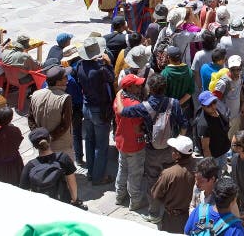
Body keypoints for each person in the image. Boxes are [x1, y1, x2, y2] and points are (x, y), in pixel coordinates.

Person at [117, 74, 188, 224]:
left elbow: (122, 111)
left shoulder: (144, 106)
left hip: (152, 151)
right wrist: (178, 145)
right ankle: (171, 208)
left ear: (150, 88)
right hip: (171, 149)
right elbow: (184, 125)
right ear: (165, 88)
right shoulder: (174, 103)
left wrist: (118, 94)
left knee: (152, 181)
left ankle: (154, 213)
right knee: (171, 178)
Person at [75, 36, 115, 185]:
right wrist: (108, 63)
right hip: (99, 109)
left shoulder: (79, 65)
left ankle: (91, 172)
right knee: (101, 144)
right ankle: (98, 177)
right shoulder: (100, 69)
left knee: (90, 141)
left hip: (87, 107)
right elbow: (111, 78)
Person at [20, 127, 85, 209]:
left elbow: (23, 191)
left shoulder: (29, 166)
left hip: (42, 207)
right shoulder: (63, 158)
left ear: (34, 146)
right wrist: (75, 200)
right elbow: (72, 182)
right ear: (50, 139)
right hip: (63, 201)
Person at [113, 73, 148, 211]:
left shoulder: (118, 100)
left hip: (121, 141)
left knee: (122, 169)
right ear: (130, 87)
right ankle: (135, 201)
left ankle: (119, 196)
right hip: (134, 144)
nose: (140, 87)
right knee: (135, 173)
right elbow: (138, 128)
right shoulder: (136, 105)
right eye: (137, 85)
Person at [152, 135, 197, 233]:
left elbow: (156, 194)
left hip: (172, 220)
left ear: (177, 155)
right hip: (193, 216)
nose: (171, 151)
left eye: (173, 150)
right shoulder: (198, 168)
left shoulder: (168, 173)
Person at [28, 65, 74, 160]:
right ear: (58, 81)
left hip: (42, 145)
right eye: (65, 77)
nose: (67, 79)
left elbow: (30, 119)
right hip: (61, 146)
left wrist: (40, 137)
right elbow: (65, 125)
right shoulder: (65, 98)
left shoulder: (36, 94)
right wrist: (49, 138)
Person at [212, 55, 244, 140]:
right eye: (233, 69)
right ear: (229, 69)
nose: (236, 72)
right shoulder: (223, 83)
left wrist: (243, 104)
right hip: (226, 119)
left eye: (238, 69)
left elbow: (240, 90)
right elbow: (214, 100)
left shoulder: (240, 77)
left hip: (236, 116)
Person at [197, 90, 230, 170]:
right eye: (208, 105)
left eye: (214, 102)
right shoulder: (203, 125)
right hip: (215, 157)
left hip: (223, 150)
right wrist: (210, 165)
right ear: (203, 106)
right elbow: (205, 147)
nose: (213, 106)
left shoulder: (216, 111)